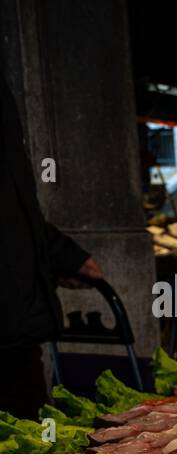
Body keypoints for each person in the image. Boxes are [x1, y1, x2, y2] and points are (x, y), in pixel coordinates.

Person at [0, 71, 102, 420]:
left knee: (28, 435)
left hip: (16, 326)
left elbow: (14, 207)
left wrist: (59, 256)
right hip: (9, 322)